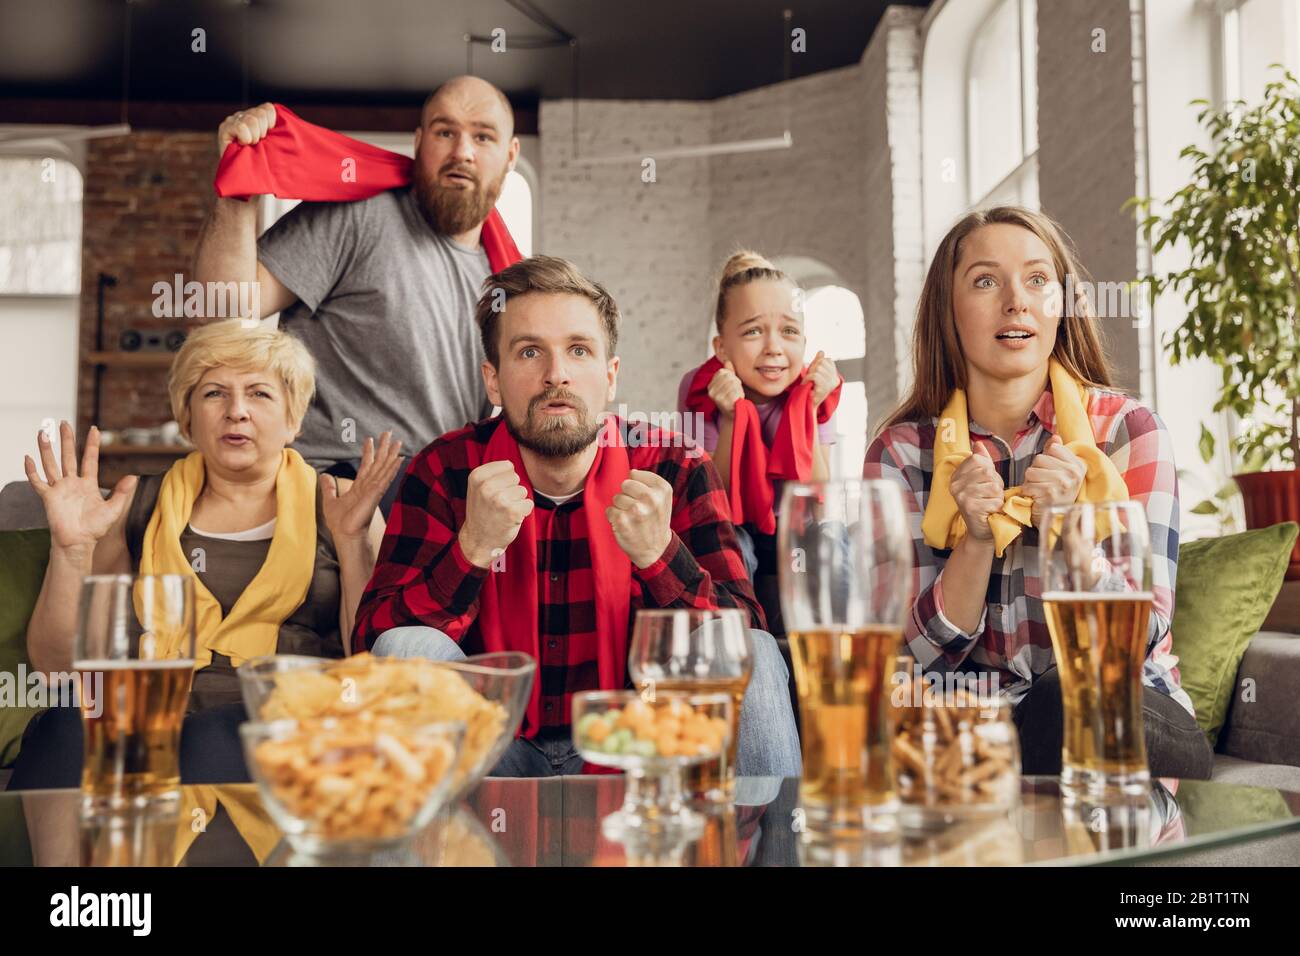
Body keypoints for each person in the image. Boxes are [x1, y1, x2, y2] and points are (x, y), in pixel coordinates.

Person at [353, 255, 802, 778]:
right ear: (493, 382)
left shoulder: (674, 467)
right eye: (529, 352)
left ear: (610, 377)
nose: (556, 375)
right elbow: (376, 643)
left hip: (638, 744)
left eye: (579, 350)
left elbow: (747, 633)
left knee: (750, 650)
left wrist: (660, 556)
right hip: (489, 752)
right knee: (407, 647)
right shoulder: (445, 468)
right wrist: (472, 549)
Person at [863, 205, 1213, 779]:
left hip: (1122, 709)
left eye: (1037, 279)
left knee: (1069, 701)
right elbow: (912, 657)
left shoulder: (1129, 431)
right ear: (947, 311)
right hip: (975, 725)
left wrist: (1070, 534)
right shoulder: (900, 453)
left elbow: (1138, 638)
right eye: (984, 280)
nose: (1016, 301)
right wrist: (976, 540)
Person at [9, 319, 401, 788]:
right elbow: (57, 665)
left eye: (259, 393)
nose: (236, 411)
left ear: (293, 419)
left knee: (216, 736)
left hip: (292, 726)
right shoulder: (138, 505)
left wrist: (353, 540)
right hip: (147, 722)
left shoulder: (341, 500)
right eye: (214, 393)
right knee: (62, 730)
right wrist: (71, 549)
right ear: (187, 418)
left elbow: (374, 663)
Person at [192, 75, 523, 513]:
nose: (462, 151)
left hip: (440, 496)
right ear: (419, 141)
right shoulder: (359, 215)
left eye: (483, 136)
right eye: (445, 132)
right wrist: (238, 191)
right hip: (334, 486)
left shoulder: (505, 279)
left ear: (510, 156)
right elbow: (220, 313)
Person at [678, 251, 841, 635]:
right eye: (753, 331)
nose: (773, 348)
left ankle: (834, 642)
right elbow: (709, 501)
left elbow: (819, 498)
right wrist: (731, 416)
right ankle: (745, 640)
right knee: (733, 546)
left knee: (833, 537)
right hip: (733, 521)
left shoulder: (816, 386)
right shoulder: (700, 389)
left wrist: (811, 407)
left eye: (789, 331)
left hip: (792, 523)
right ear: (721, 348)